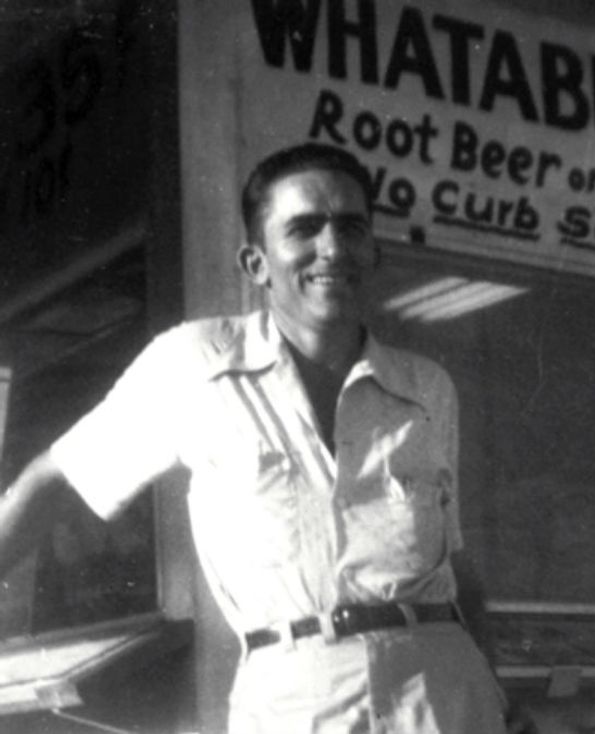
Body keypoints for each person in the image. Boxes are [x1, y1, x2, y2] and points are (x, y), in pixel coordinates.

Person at [0, 142, 532, 733]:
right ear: (256, 264)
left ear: (372, 251)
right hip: (293, 702)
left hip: (445, 697)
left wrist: (500, 701)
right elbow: (54, 479)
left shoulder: (427, 387)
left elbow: (454, 568)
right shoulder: (193, 364)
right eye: (304, 229)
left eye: (351, 228)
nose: (332, 248)